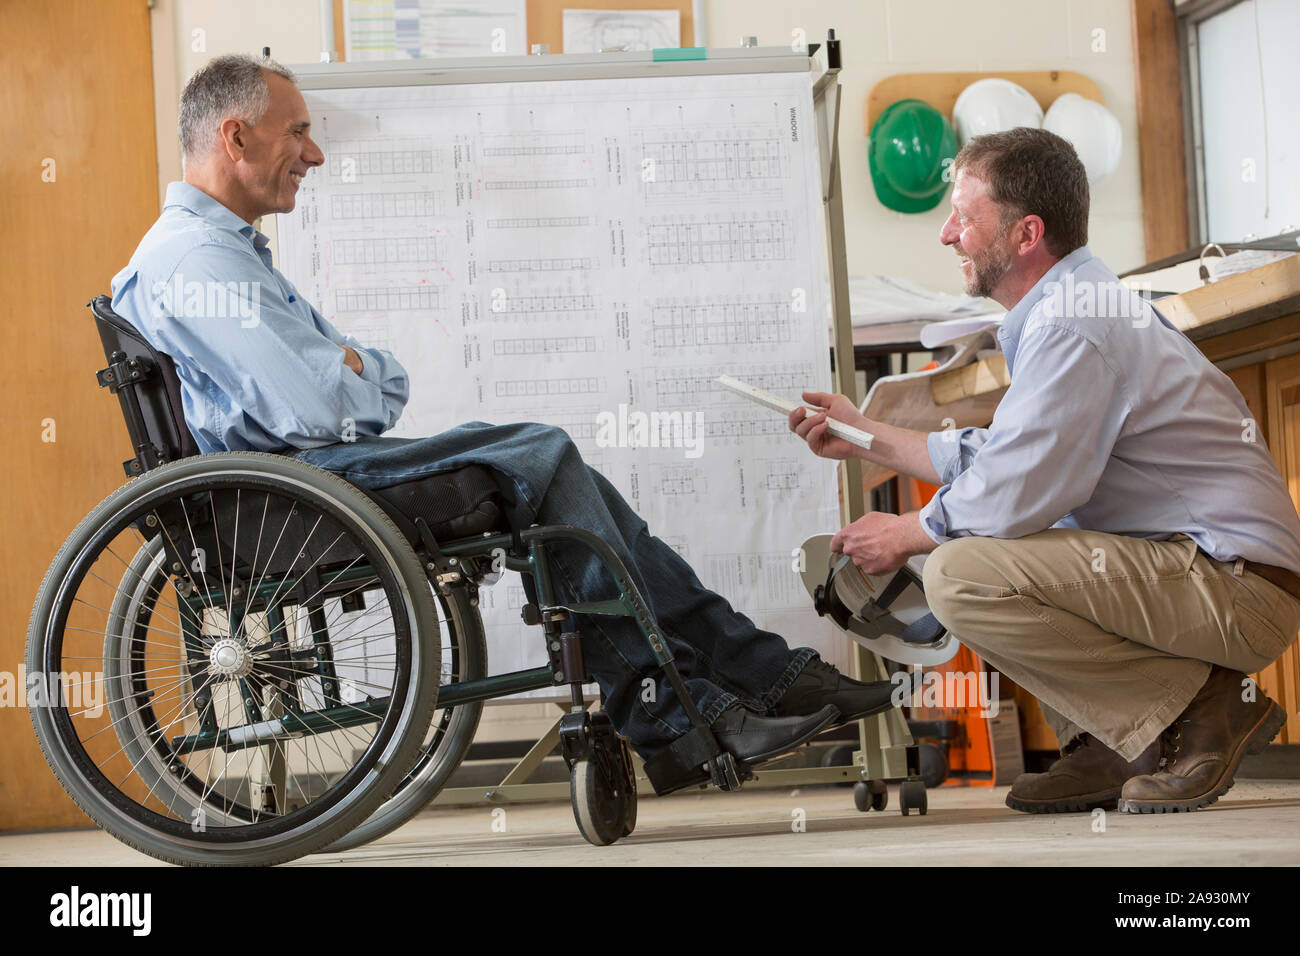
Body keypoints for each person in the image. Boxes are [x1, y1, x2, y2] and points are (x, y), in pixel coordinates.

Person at [110, 53, 896, 794]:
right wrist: (348, 371)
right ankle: (684, 707)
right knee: (540, 454)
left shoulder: (217, 252)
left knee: (564, 475)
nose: (313, 154)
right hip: (290, 497)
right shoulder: (196, 263)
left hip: (302, 481)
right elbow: (319, 404)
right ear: (234, 136)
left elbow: (365, 380)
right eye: (299, 132)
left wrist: (352, 372)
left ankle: (737, 681)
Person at [791, 126, 1300, 814]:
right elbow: (1001, 461)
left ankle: (1207, 712)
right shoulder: (1068, 308)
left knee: (959, 572)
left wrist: (909, 532)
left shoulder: (1071, 324)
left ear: (1026, 234)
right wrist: (862, 435)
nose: (947, 235)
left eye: (964, 217)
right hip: (1208, 575)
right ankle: (1113, 739)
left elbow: (1012, 492)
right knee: (975, 550)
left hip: (1237, 588)